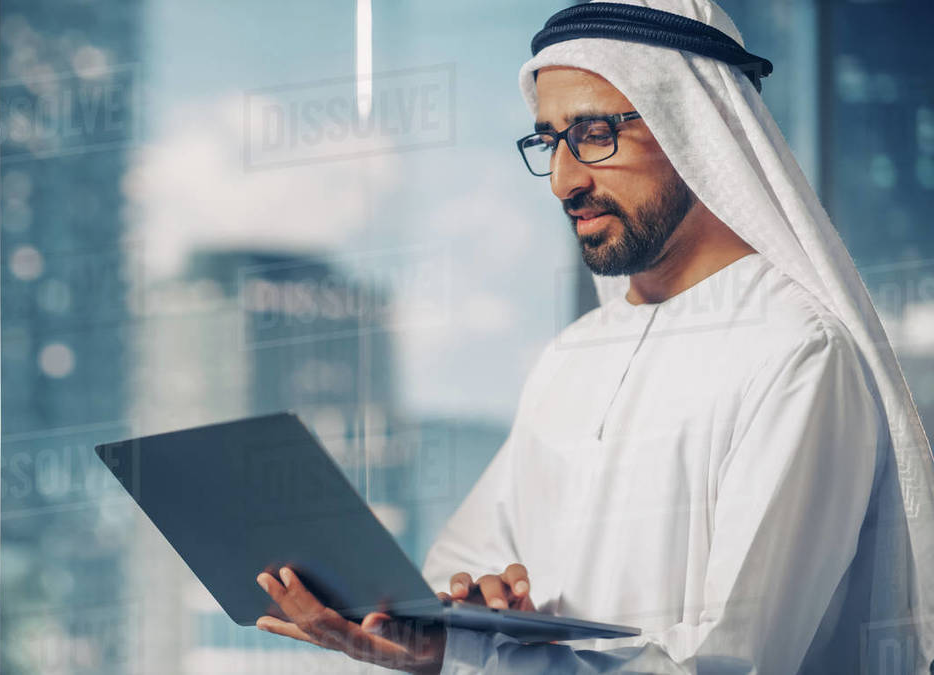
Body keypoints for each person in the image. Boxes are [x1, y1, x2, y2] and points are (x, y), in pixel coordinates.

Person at [253, 1, 934, 672]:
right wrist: (441, 628)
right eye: (550, 140)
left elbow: (730, 664)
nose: (563, 180)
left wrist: (485, 654)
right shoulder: (572, 355)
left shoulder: (796, 351)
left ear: (696, 126)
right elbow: (459, 570)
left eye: (596, 133)